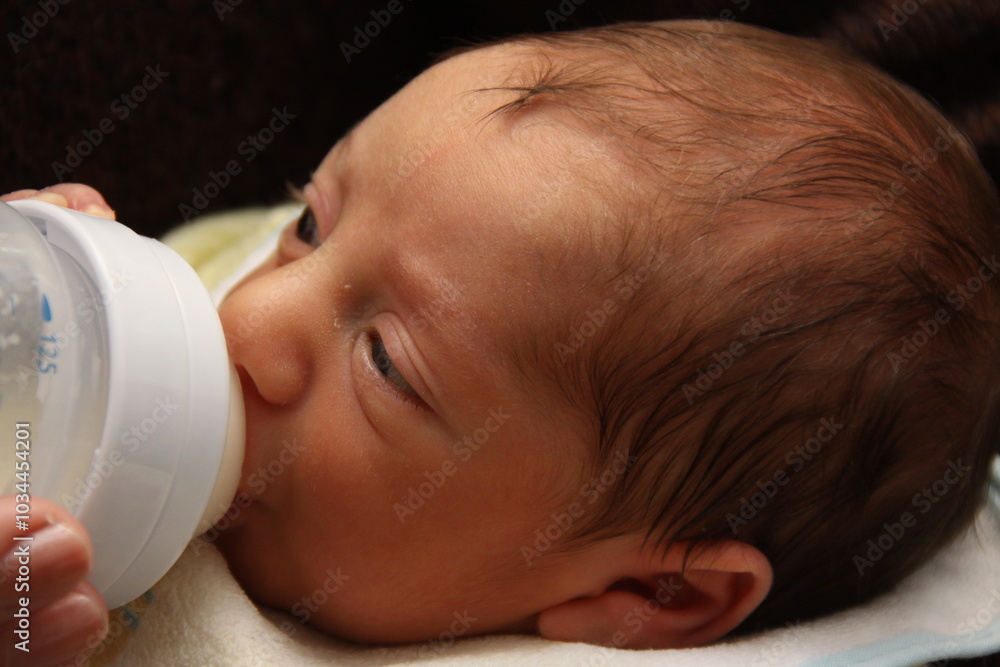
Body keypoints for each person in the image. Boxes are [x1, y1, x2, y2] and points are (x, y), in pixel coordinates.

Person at [3, 19, 999, 666]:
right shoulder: (265, 291)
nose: (251, 322)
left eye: (388, 364)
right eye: (311, 220)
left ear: (649, 590)